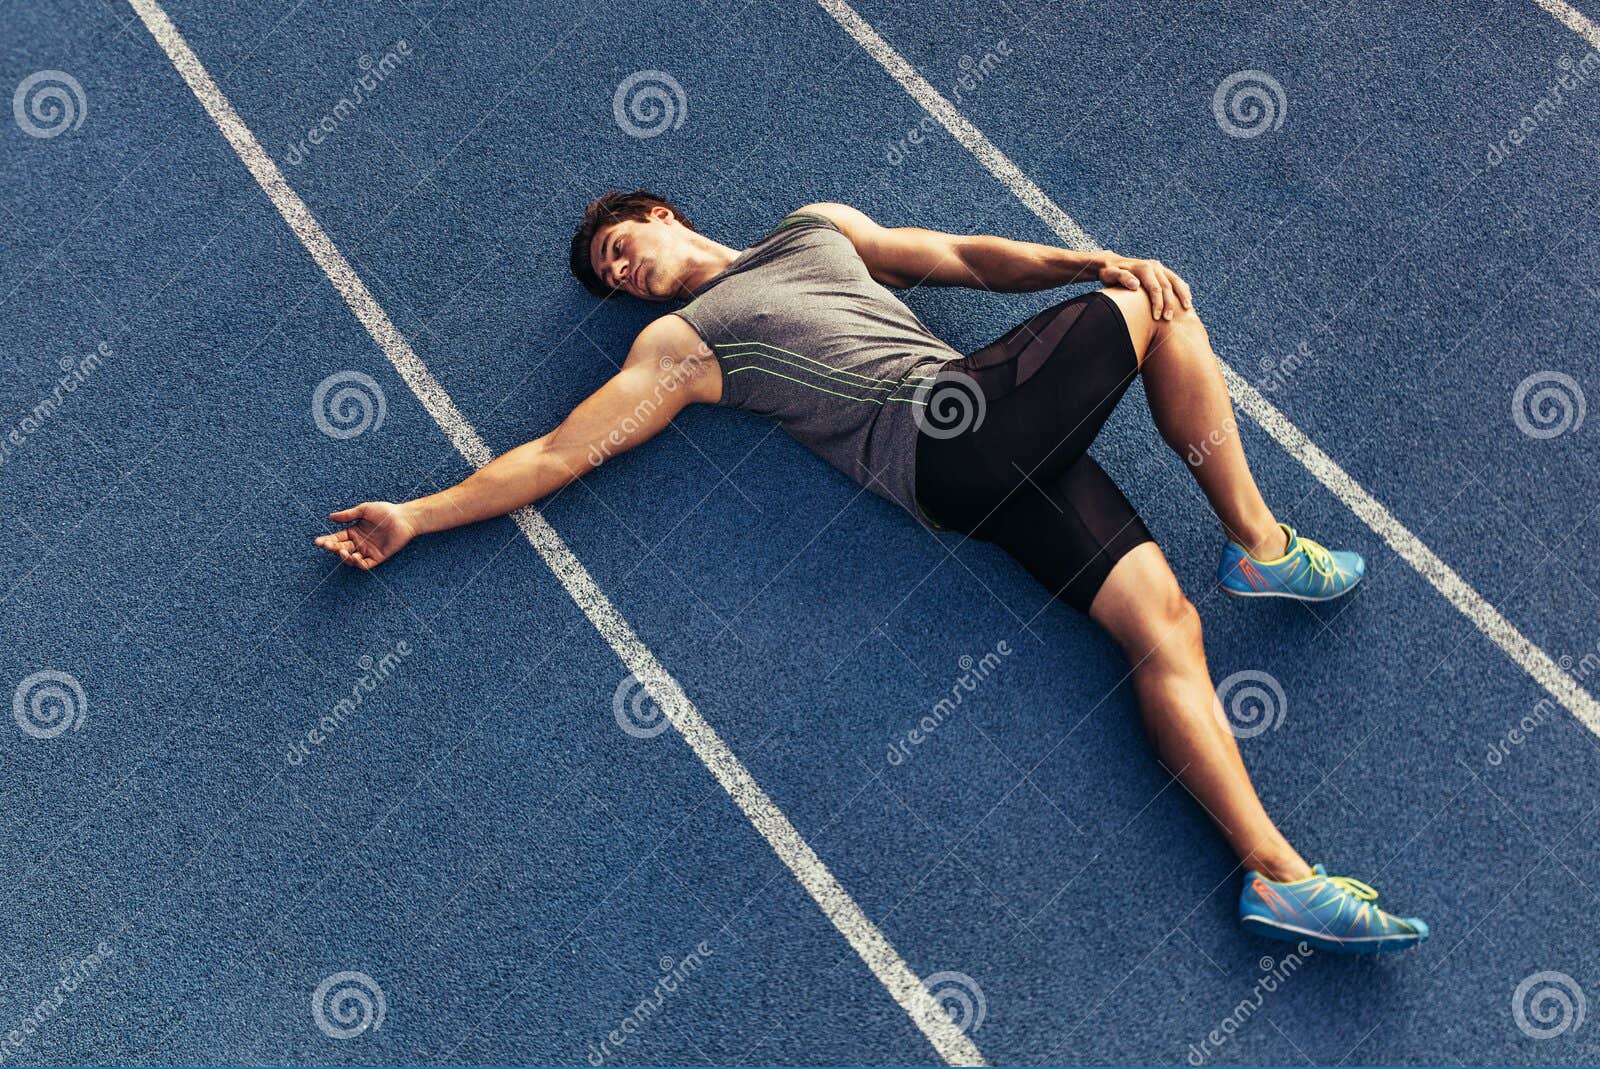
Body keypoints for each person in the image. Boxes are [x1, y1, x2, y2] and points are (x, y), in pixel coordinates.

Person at [315, 192, 1429, 954]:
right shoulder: (680, 348)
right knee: (1156, 304)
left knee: (1164, 625)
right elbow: (561, 451)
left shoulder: (814, 228)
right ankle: (1266, 545)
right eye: (613, 278)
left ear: (658, 213)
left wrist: (1082, 261)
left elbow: (955, 259)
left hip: (992, 450)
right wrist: (416, 513)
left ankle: (1274, 872)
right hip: (944, 443)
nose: (625, 272)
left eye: (620, 246)